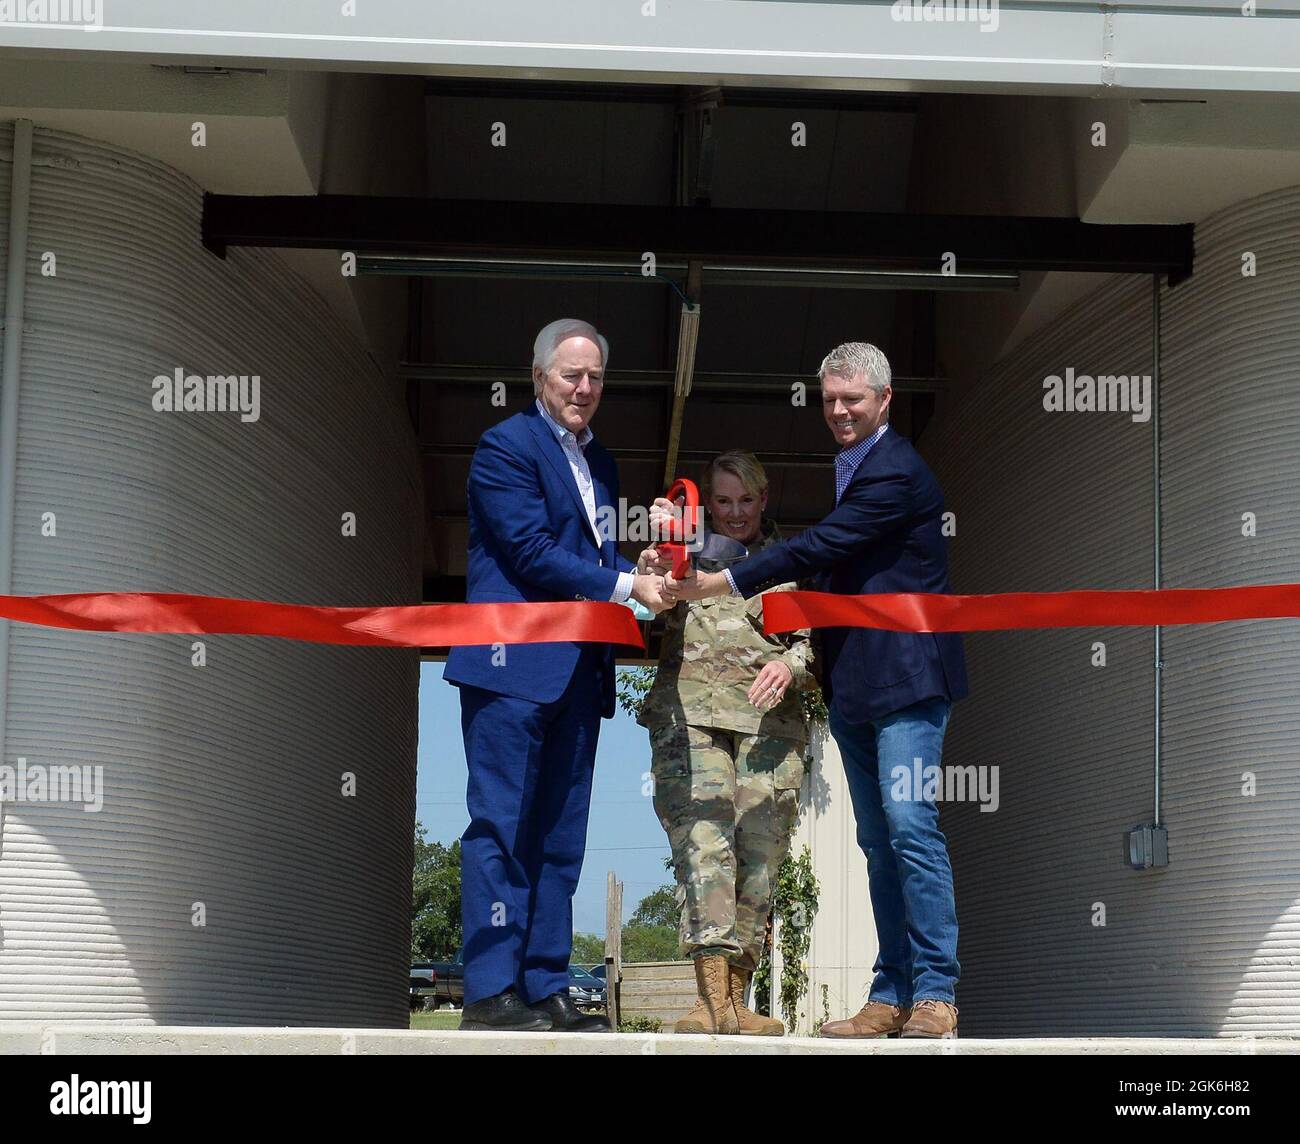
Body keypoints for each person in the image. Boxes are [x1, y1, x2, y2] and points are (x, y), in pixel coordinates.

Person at [660, 342, 969, 1039]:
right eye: (830, 398)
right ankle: (890, 996)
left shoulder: (894, 472)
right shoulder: (852, 468)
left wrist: (724, 580)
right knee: (878, 841)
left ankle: (936, 993)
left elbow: (819, 548)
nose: (838, 410)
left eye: (852, 398)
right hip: (857, 683)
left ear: (884, 399)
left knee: (911, 827)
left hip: (912, 679)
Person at [445, 318, 670, 1032]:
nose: (583, 387)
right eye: (570, 373)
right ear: (538, 375)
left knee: (560, 839)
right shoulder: (504, 448)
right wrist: (628, 587)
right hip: (511, 668)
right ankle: (488, 991)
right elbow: (534, 554)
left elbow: (593, 561)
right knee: (503, 828)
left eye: (596, 376)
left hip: (580, 672)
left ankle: (544, 984)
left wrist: (648, 569)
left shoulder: (601, 464)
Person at [638, 451, 816, 1036]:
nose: (735, 513)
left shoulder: (797, 561)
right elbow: (642, 604)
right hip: (691, 721)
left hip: (771, 727)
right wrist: (655, 558)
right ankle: (711, 999)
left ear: (764, 500)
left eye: (746, 500)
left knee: (760, 860)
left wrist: (792, 663)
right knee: (705, 849)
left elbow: (823, 643)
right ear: (706, 504)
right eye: (722, 501)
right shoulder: (680, 557)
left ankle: (736, 1001)